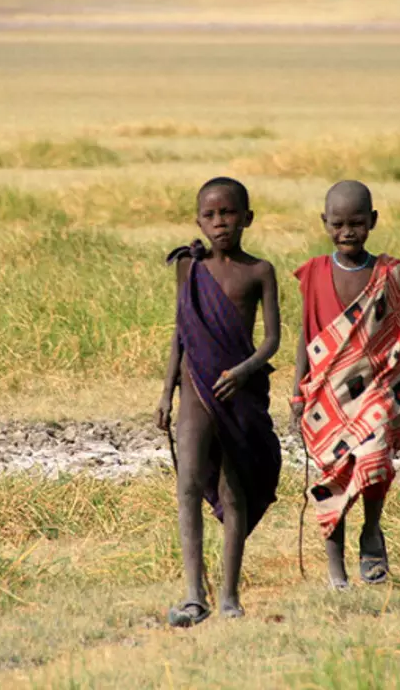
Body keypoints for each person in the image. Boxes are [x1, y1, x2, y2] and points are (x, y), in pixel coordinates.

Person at [156, 177, 283, 627]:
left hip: (238, 394)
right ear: (198, 221)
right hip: (194, 389)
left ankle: (229, 597)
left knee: (234, 493)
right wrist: (166, 390)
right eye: (209, 215)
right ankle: (194, 594)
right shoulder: (189, 267)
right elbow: (180, 331)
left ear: (247, 217)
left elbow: (271, 340)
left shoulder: (259, 271)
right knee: (187, 485)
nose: (219, 222)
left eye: (228, 213)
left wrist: (244, 371)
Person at [290, 180, 400, 588]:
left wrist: (399, 394)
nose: (348, 232)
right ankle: (335, 569)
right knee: (333, 473)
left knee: (374, 460)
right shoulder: (314, 272)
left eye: (358, 223)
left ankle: (371, 533)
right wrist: (297, 392)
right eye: (339, 223)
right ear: (325, 223)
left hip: (376, 390)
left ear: (373, 222)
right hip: (326, 392)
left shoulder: (388, 273)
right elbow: (306, 336)